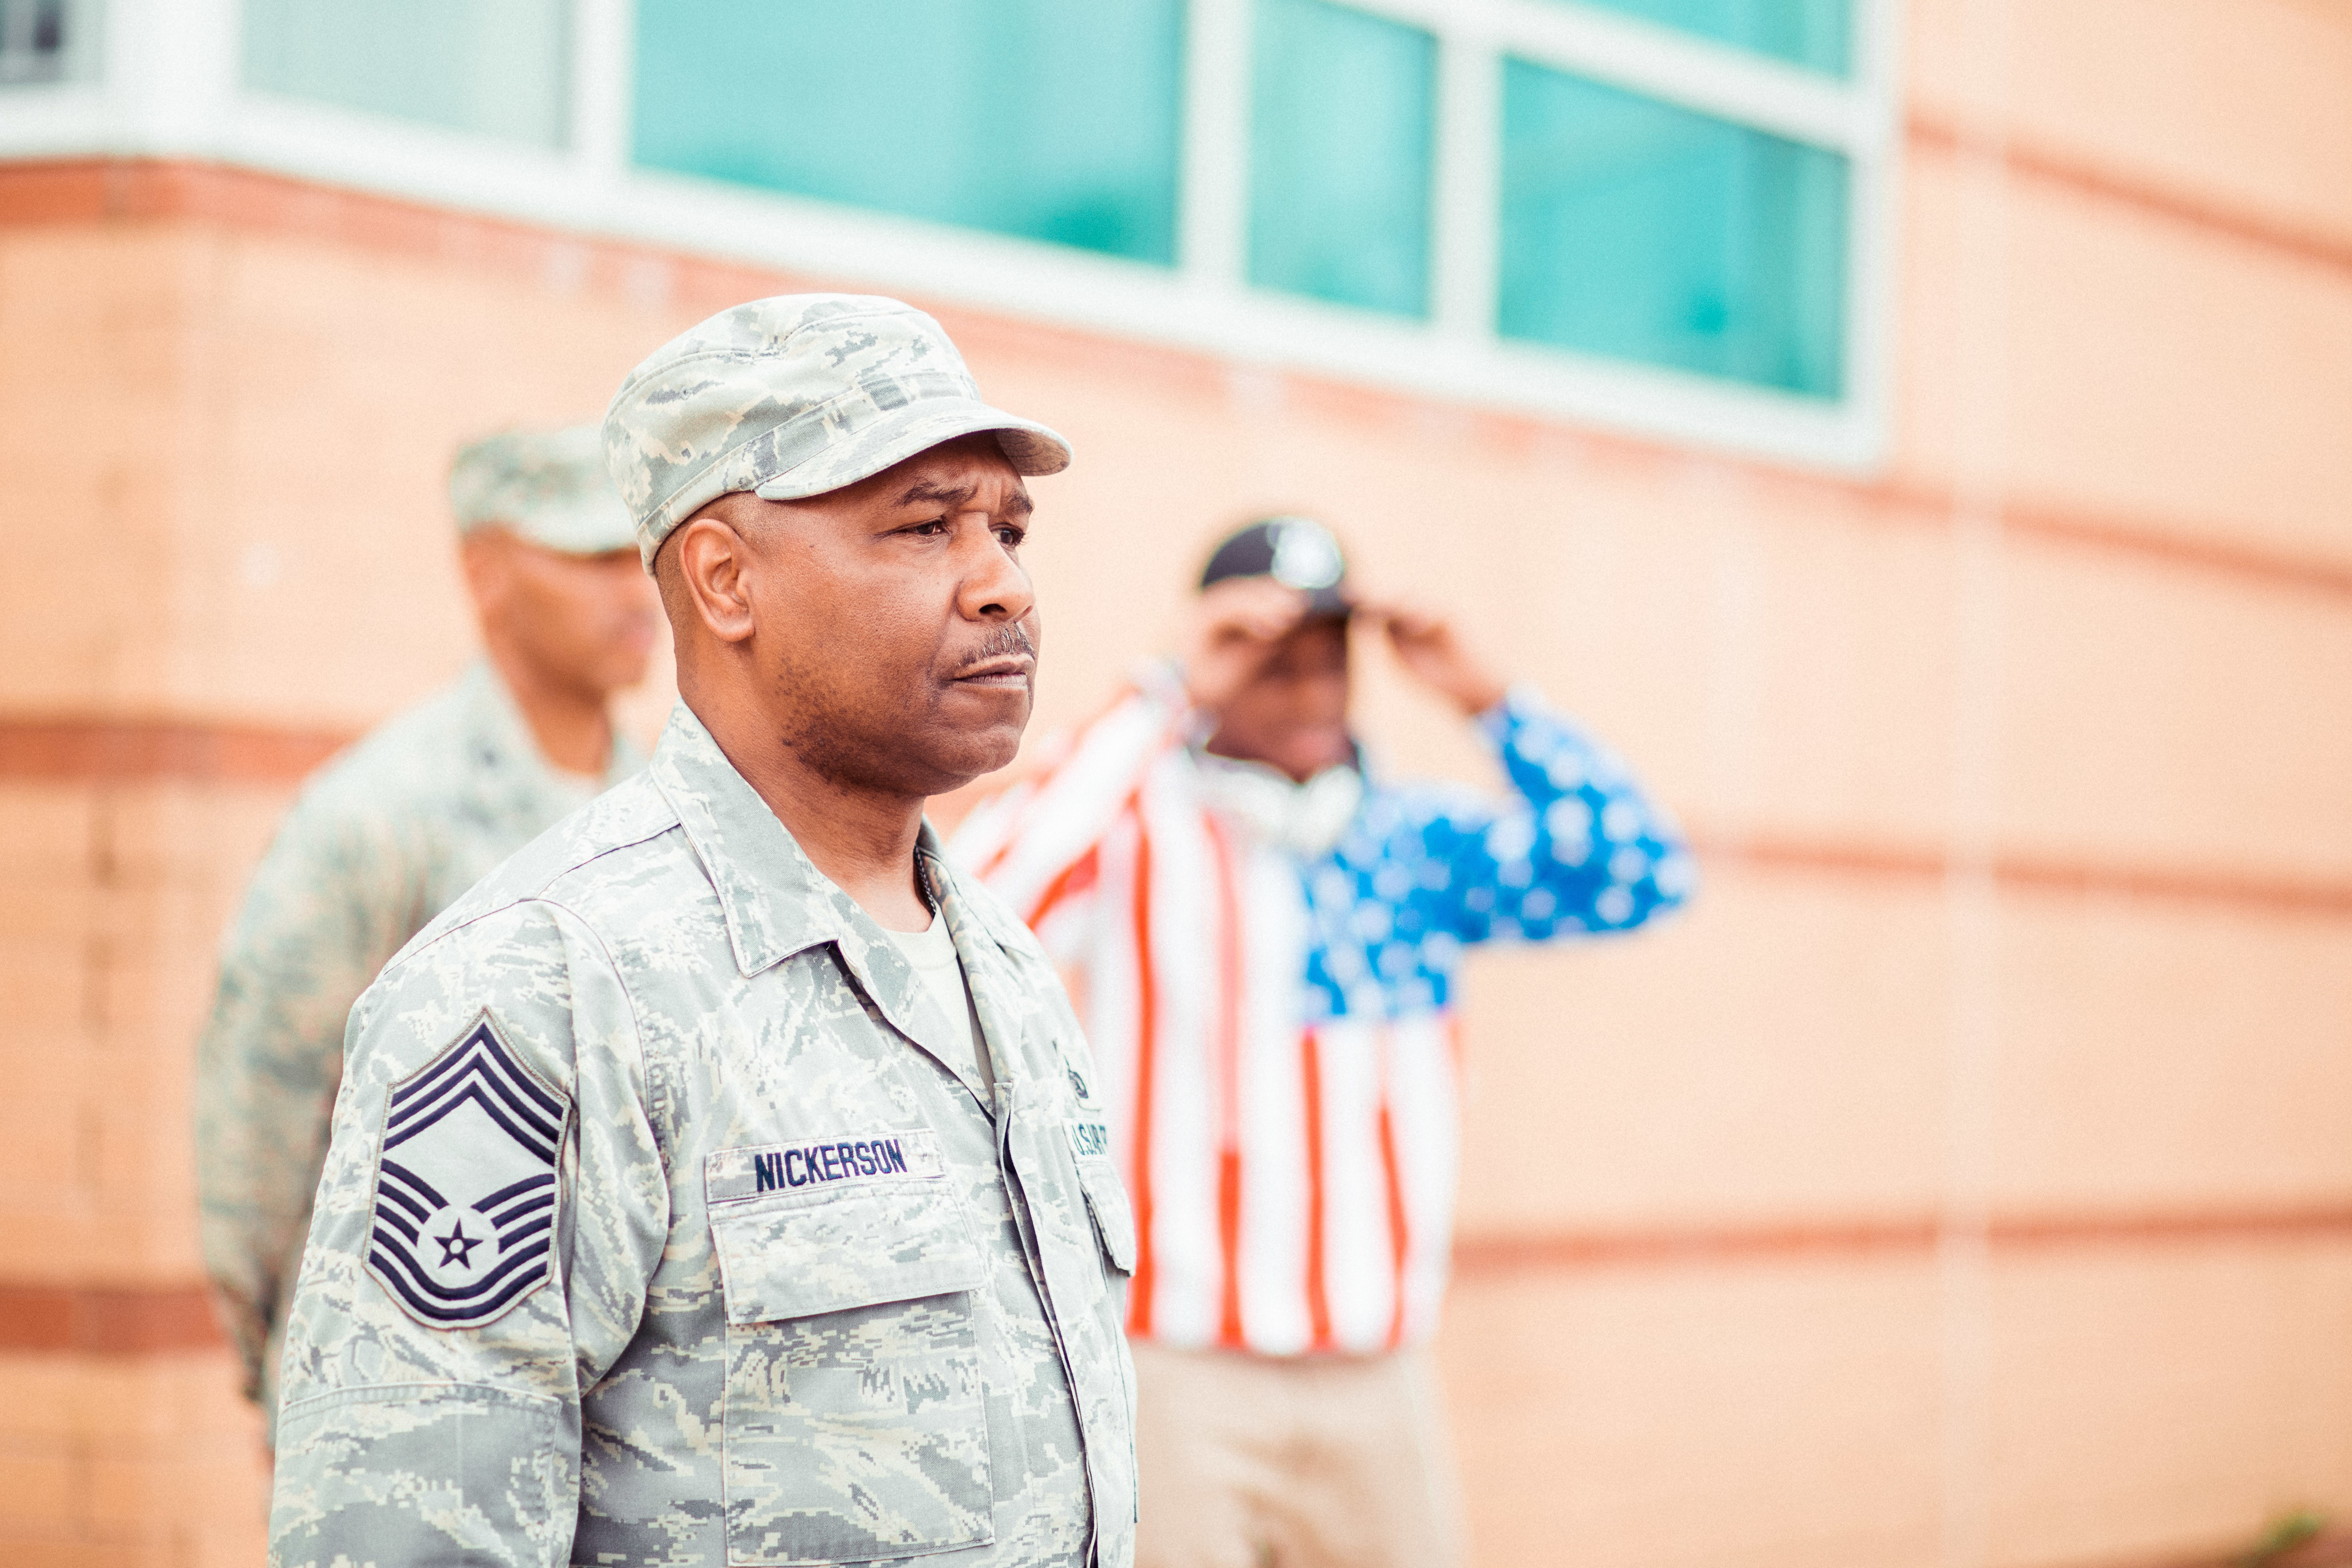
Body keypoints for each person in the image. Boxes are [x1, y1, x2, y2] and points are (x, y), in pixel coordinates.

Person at [267, 294, 1138, 1568]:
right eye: (923, 527)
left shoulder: (1003, 970)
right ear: (726, 580)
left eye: (1007, 528)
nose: (1001, 584)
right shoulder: (541, 990)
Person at [951, 515, 1695, 1568]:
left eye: (1327, 664)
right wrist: (1167, 688)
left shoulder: (1417, 844)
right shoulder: (1133, 824)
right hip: (1175, 1373)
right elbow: (979, 901)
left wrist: (1488, 702)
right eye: (1269, 663)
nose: (1306, 692)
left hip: (1377, 1379)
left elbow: (1639, 871)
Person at [194, 424, 657, 1433]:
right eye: (590, 559)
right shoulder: (379, 815)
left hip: (624, 1415)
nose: (634, 592)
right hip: (406, 1399)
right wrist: (289, 1362)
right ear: (485, 572)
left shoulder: (665, 813)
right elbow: (262, 1110)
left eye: (639, 555)